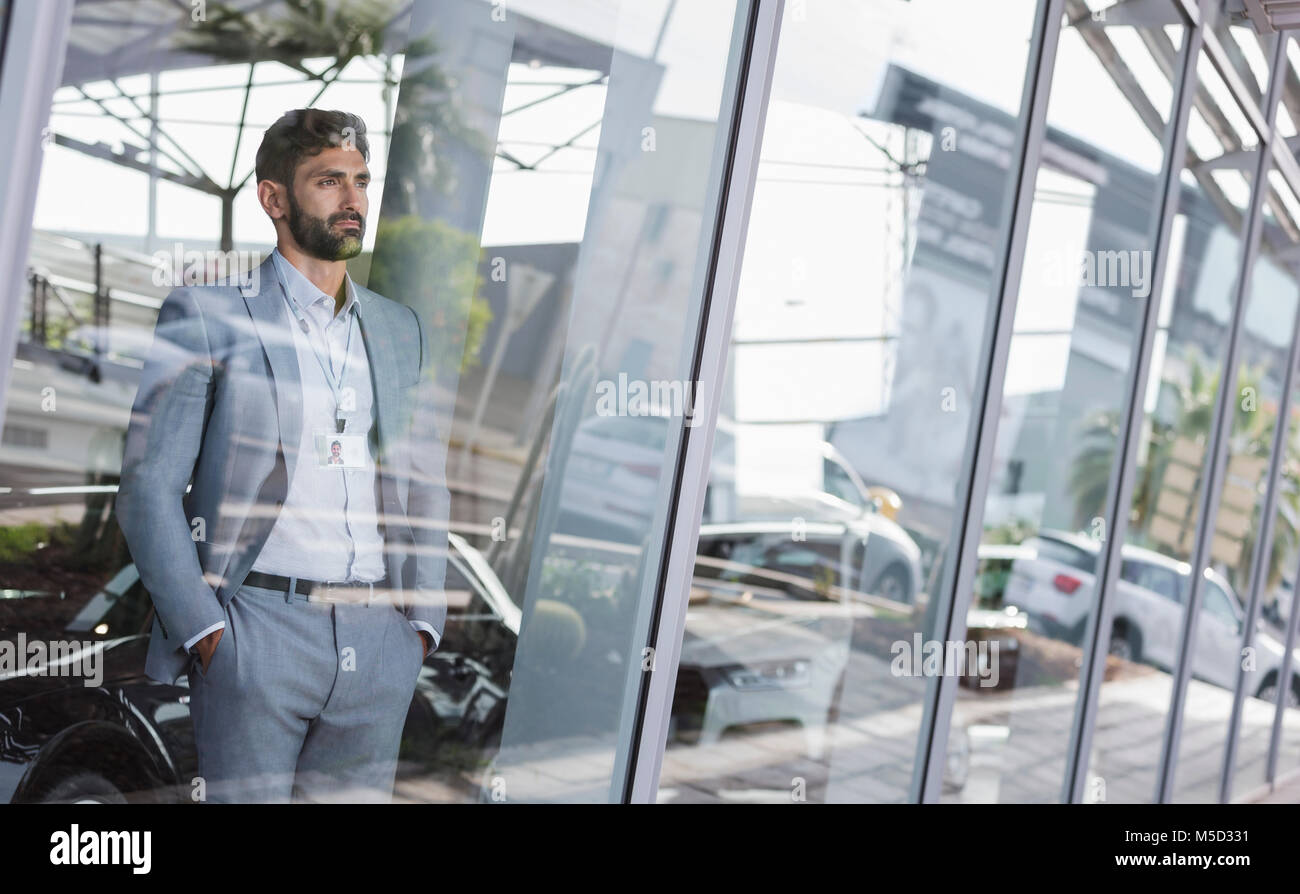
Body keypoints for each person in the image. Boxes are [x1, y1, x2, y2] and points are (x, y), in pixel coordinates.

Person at [117, 108, 450, 803]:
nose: (353, 199)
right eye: (328, 180)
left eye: (361, 181)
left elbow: (421, 482)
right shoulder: (208, 315)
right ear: (273, 199)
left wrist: (419, 626)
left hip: (379, 639)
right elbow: (149, 487)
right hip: (258, 634)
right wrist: (209, 634)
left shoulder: (397, 328)